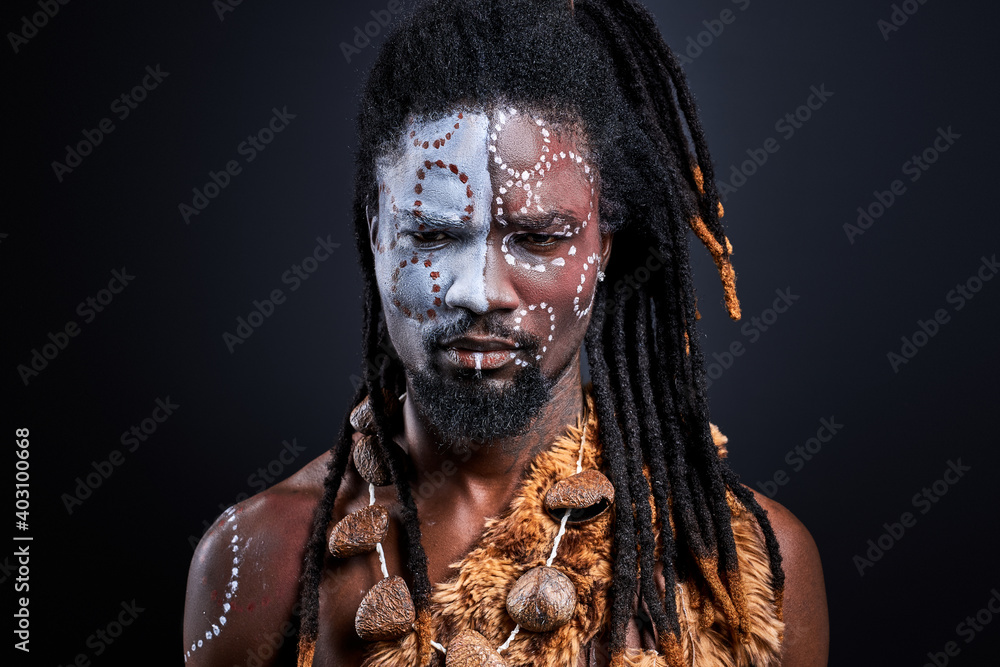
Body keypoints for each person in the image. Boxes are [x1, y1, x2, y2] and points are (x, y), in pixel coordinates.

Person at [183, 0, 829, 665]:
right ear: (377, 228)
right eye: (432, 235)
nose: (480, 289)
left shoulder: (746, 569)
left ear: (603, 240)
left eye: (539, 238)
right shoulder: (259, 559)